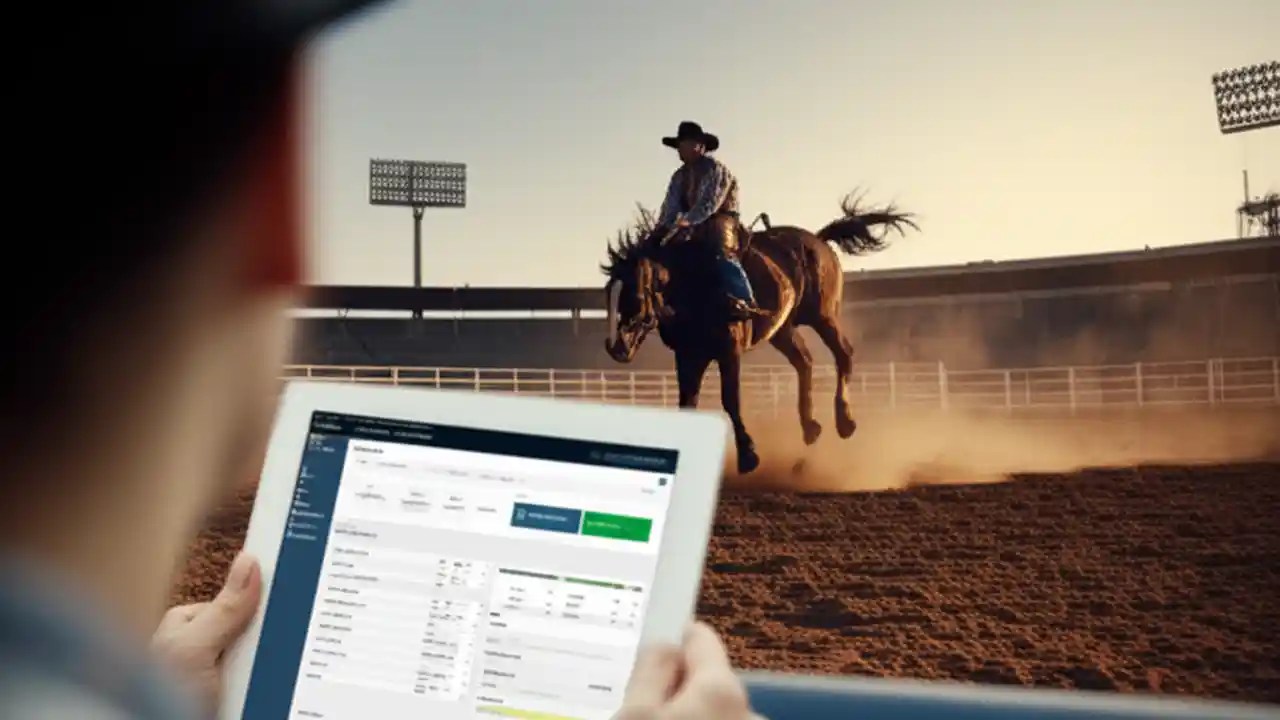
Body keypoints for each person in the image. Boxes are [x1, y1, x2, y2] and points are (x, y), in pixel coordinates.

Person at [0, 3, 759, 719]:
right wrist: (664, 236)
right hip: (678, 237)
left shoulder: (712, 178)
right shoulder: (671, 181)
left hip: (717, 239)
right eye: (684, 144)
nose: (688, 151)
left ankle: (744, 304)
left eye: (692, 143)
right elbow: (665, 217)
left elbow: (703, 210)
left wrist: (692, 229)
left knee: (723, 267)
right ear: (278, 199)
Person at [655, 121, 767, 320]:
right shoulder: (679, 177)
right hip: (689, 222)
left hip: (721, 218)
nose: (682, 149)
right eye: (680, 145)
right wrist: (664, 228)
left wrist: (687, 221)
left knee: (721, 251)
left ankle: (744, 299)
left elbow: (710, 203)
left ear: (701, 146)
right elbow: (670, 207)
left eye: (687, 144)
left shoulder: (715, 169)